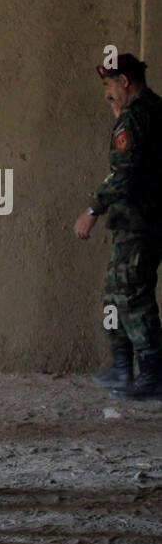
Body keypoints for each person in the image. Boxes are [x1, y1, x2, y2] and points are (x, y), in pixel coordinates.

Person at [73, 54, 162, 399]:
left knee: (131, 295)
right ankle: (122, 368)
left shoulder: (135, 117)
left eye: (110, 85)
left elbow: (124, 172)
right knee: (115, 291)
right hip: (146, 218)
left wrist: (93, 209)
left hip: (138, 219)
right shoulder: (151, 110)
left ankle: (153, 373)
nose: (107, 93)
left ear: (125, 81)